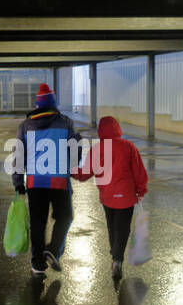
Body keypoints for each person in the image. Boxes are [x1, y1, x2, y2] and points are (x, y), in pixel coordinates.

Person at [12, 83, 80, 276]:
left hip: (35, 182)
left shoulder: (25, 126)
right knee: (65, 216)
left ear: (37, 104)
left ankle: (37, 265)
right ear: (53, 103)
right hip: (59, 181)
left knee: (38, 223)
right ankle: (54, 248)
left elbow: (18, 156)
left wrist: (18, 183)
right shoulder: (65, 122)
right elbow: (73, 154)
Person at [73, 115, 148, 277]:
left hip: (107, 197)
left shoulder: (97, 149)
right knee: (123, 228)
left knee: (112, 226)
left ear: (101, 131)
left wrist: (69, 170)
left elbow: (83, 174)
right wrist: (141, 191)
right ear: (117, 128)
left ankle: (114, 255)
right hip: (127, 197)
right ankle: (117, 259)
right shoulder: (129, 147)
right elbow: (139, 171)